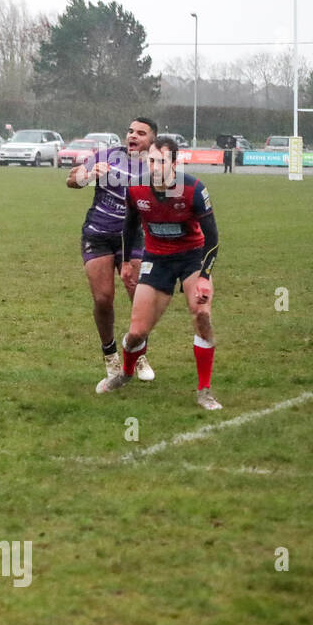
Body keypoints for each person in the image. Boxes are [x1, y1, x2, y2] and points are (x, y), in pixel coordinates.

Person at [96, 136, 221, 410]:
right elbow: (129, 227)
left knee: (201, 314)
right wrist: (127, 262)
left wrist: (205, 276)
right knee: (137, 332)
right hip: (156, 259)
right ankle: (126, 373)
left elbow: (213, 238)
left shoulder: (194, 189)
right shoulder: (137, 187)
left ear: (174, 163)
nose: (154, 167)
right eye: (151, 160)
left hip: (192, 259)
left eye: (161, 161)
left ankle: (204, 390)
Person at [66, 117, 158, 390]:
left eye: (141, 133)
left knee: (138, 295)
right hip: (98, 233)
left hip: (134, 238)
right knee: (104, 299)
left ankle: (138, 354)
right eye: (130, 131)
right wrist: (88, 175)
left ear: (151, 140)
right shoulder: (106, 156)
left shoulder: (156, 166)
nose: (133, 136)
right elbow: (71, 179)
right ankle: (111, 357)